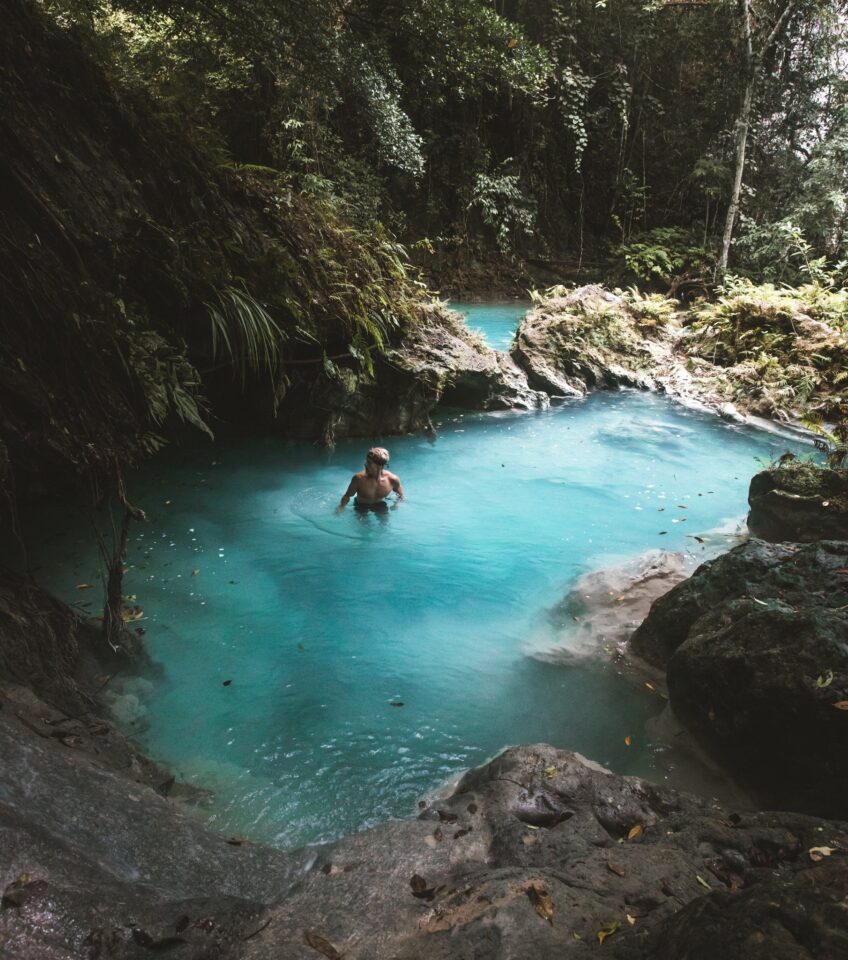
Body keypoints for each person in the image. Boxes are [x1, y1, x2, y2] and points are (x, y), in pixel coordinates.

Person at [338, 447, 404, 510]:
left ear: (380, 466)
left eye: (369, 463)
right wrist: (341, 508)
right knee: (364, 521)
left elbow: (401, 495)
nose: (365, 464)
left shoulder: (392, 480)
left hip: (380, 505)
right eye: (366, 461)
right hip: (361, 505)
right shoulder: (358, 479)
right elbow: (347, 496)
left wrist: (396, 504)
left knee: (384, 521)